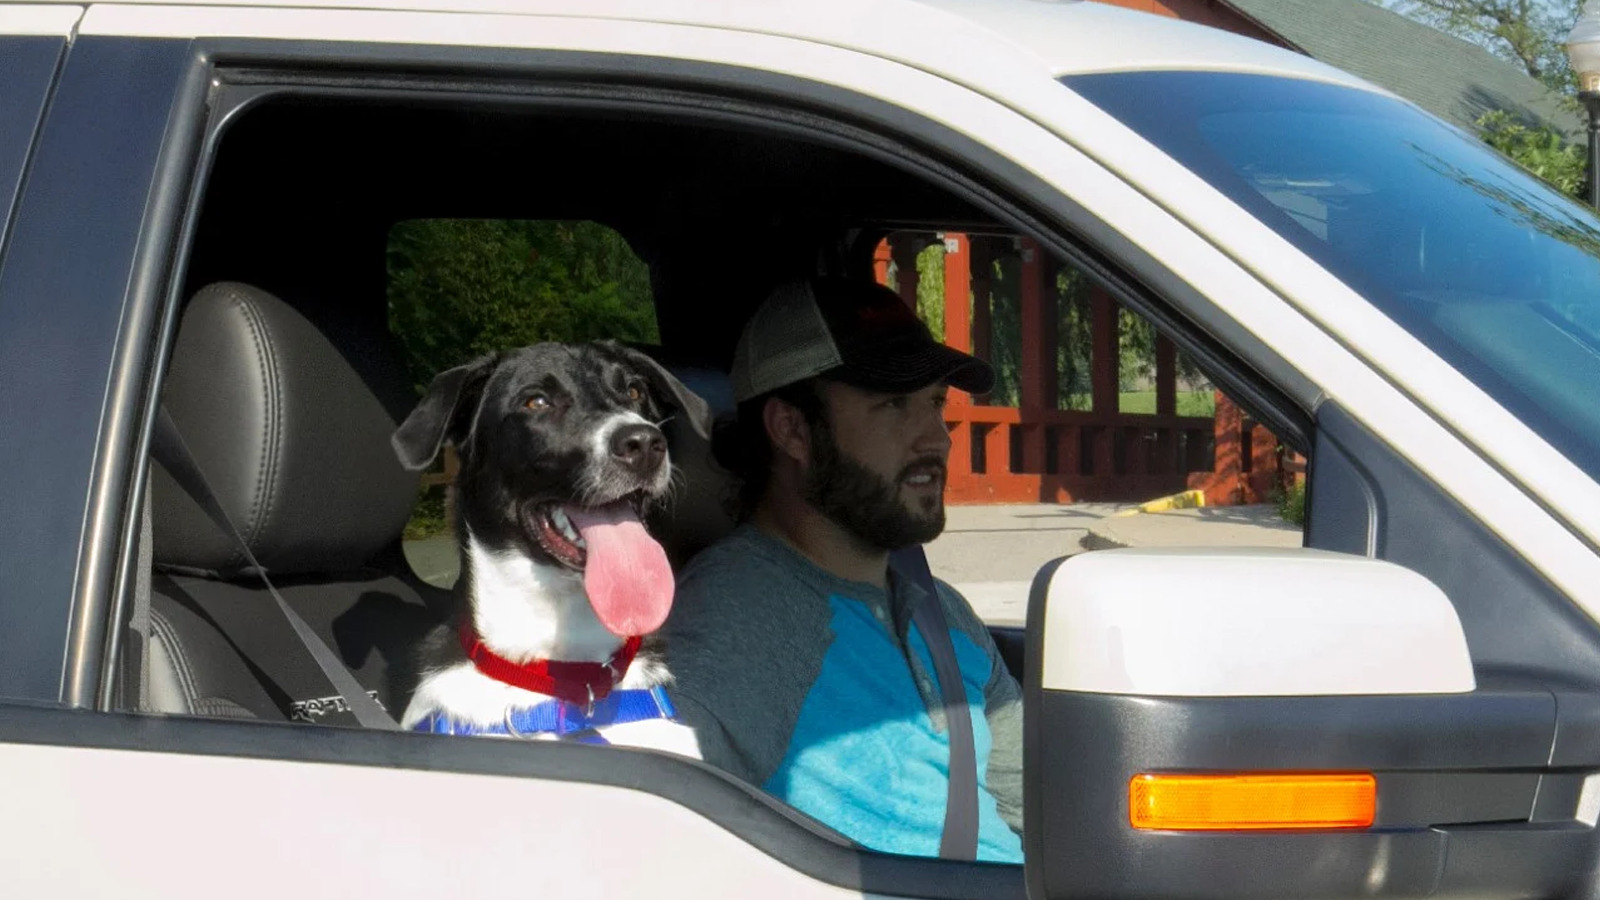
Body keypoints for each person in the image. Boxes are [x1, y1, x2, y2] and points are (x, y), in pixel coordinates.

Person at [663, 277, 1024, 863]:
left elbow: (1040, 802)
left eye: (935, 403)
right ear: (792, 429)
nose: (936, 439)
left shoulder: (943, 610)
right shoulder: (737, 619)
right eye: (892, 404)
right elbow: (672, 840)